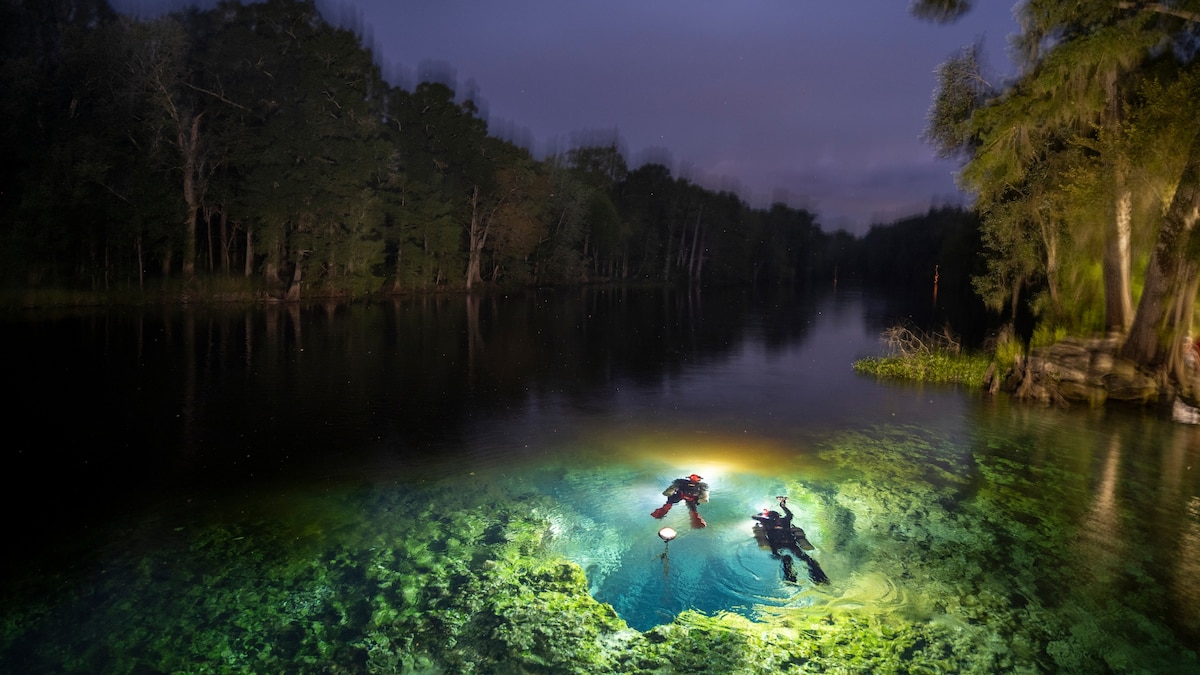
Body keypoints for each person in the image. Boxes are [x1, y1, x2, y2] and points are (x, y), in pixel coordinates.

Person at [752, 496, 828, 584]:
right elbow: (789, 514)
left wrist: (764, 513)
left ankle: (791, 580)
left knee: (787, 558)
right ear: (778, 516)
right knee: (805, 559)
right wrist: (783, 505)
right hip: (789, 543)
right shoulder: (784, 520)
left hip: (778, 545)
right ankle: (820, 579)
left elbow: (754, 516)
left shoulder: (767, 522)